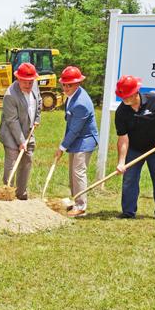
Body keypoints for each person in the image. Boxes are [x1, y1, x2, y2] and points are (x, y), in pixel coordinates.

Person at [114, 75, 155, 223]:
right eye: (122, 96)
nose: (124, 99)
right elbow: (123, 138)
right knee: (129, 180)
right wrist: (121, 162)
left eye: (127, 96)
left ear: (136, 92)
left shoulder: (154, 100)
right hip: (135, 149)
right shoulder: (121, 112)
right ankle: (128, 212)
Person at [54, 66, 98, 217]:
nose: (66, 87)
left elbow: (75, 130)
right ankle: (74, 201)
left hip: (85, 140)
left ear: (78, 83)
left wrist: (62, 147)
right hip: (76, 139)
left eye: (69, 85)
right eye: (64, 84)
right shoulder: (72, 95)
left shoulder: (81, 103)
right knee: (72, 172)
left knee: (78, 172)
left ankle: (81, 207)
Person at [0, 62, 41, 200]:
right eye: (25, 82)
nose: (28, 85)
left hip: (28, 129)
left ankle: (21, 193)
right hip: (11, 132)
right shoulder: (10, 95)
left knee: (27, 159)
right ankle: (8, 193)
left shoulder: (34, 85)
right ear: (18, 79)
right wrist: (21, 141)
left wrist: (37, 118)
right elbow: (12, 121)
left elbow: (39, 101)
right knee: (12, 161)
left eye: (30, 82)